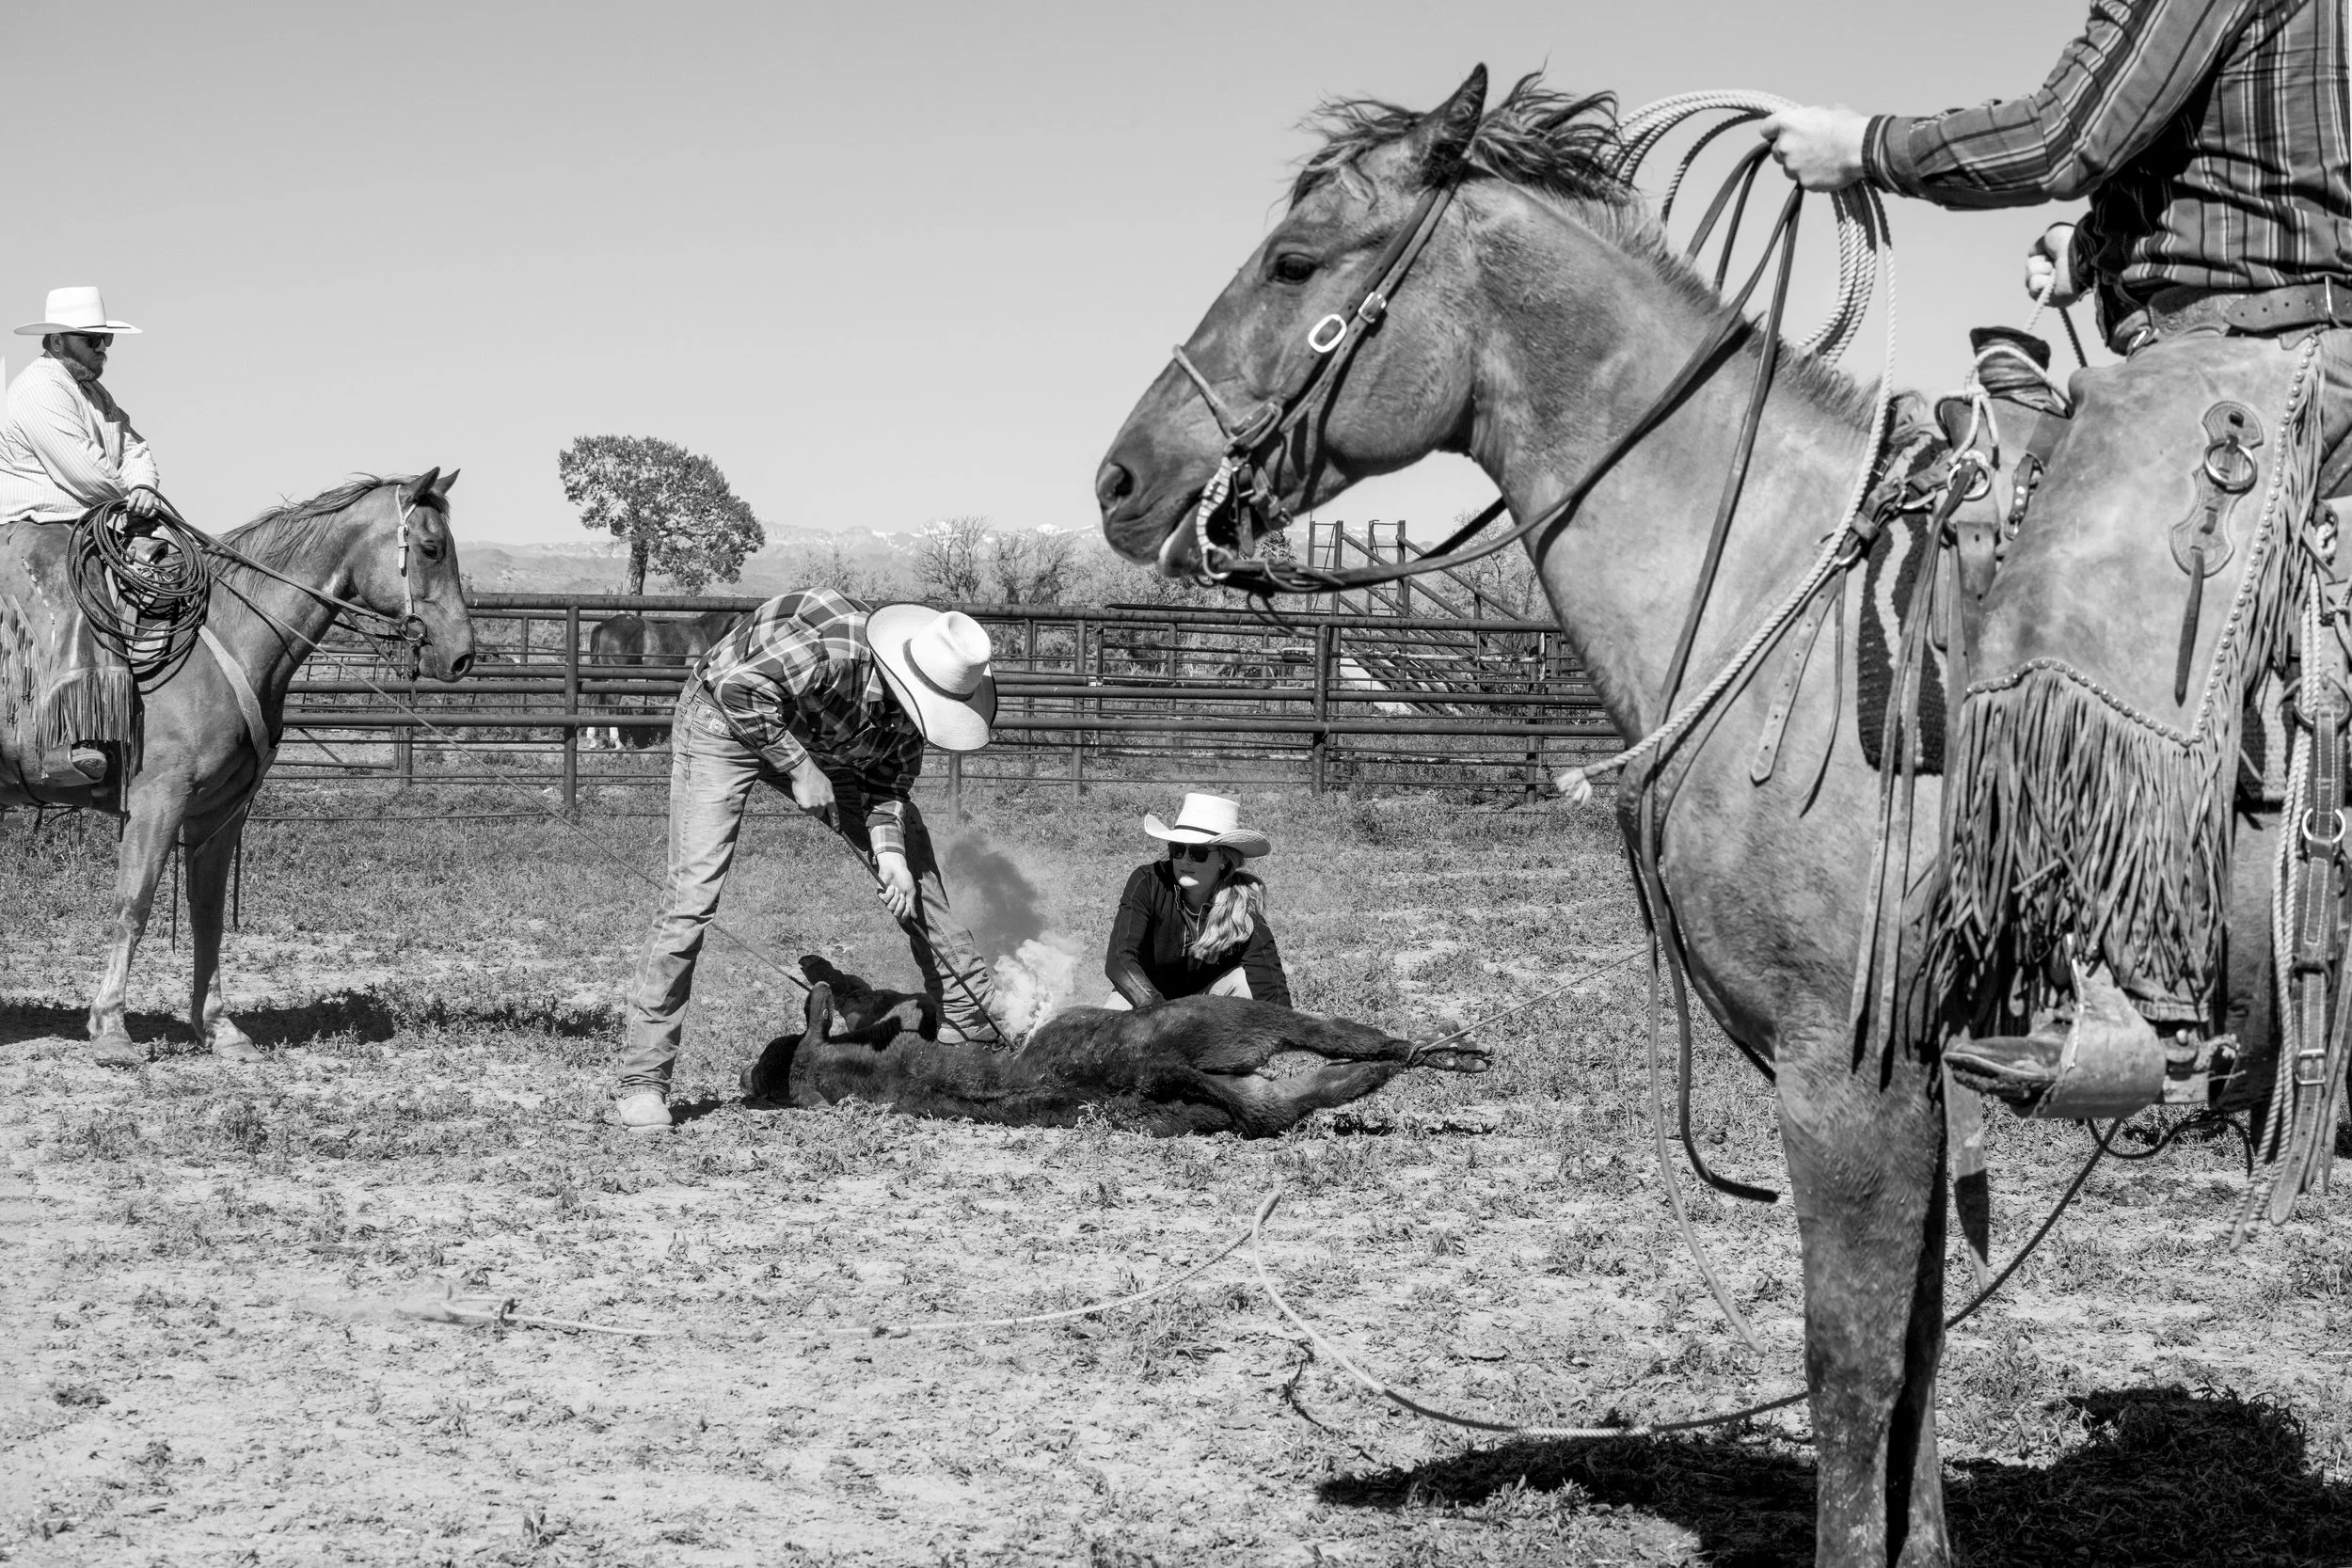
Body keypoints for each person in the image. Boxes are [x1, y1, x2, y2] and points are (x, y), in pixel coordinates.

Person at [1756, 5, 2352, 1060]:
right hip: (2260, 317)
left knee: (2072, 578)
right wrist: (2092, 250)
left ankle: (2142, 987)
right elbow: (2250, 162)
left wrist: (1863, 147)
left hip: (2253, 341)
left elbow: (2062, 135)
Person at [613, 589, 1007, 1134]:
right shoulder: (833, 651)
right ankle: (644, 1079)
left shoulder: (908, 722)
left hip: (815, 740)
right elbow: (737, 687)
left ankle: (969, 1013)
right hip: (726, 719)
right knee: (692, 896)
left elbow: (887, 787)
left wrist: (890, 854)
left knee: (913, 865)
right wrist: (799, 768)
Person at [0, 286, 163, 788]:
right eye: (92, 339)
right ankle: (63, 741)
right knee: (73, 596)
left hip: (96, 521)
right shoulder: (39, 389)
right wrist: (130, 497)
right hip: (35, 526)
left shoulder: (95, 393)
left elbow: (134, 446)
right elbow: (82, 471)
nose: (103, 348)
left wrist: (143, 486)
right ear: (57, 340)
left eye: (105, 340)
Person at [1104, 792, 1291, 1009]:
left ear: (1223, 859)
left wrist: (1289, 1028)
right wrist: (1159, 1011)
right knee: (1115, 1013)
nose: (1184, 860)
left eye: (1198, 852)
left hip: (1205, 1006)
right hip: (1147, 1000)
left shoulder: (1241, 903)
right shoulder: (1148, 882)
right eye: (1177, 849)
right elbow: (1120, 959)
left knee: (1245, 983)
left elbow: (1270, 984)